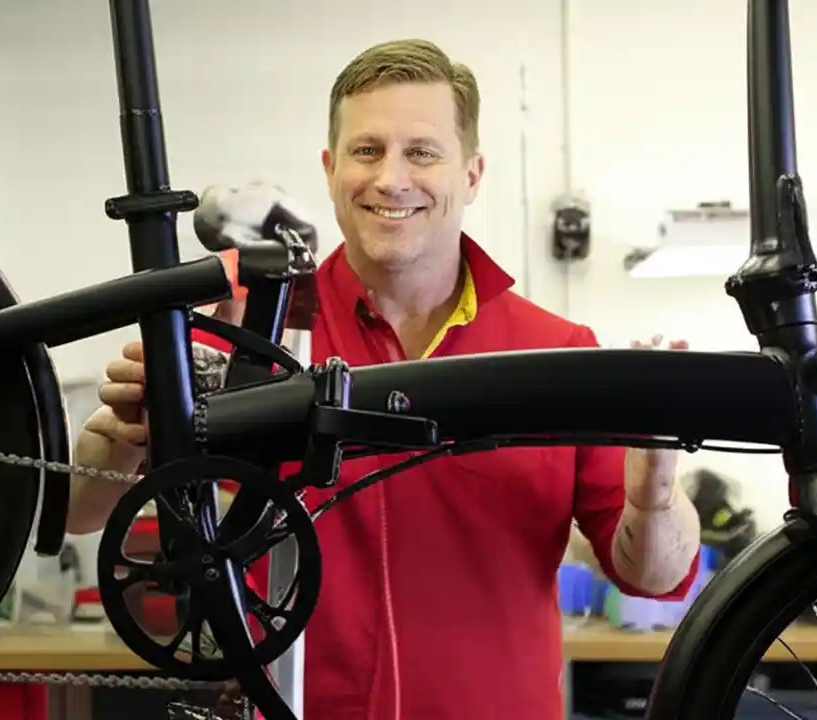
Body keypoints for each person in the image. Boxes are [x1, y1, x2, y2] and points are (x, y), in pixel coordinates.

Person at [68, 38, 703, 720]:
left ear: (473, 173)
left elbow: (654, 575)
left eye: (422, 152)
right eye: (366, 150)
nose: (390, 178)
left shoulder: (556, 352)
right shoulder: (256, 333)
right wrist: (128, 437)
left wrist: (656, 494)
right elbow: (76, 512)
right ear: (331, 166)